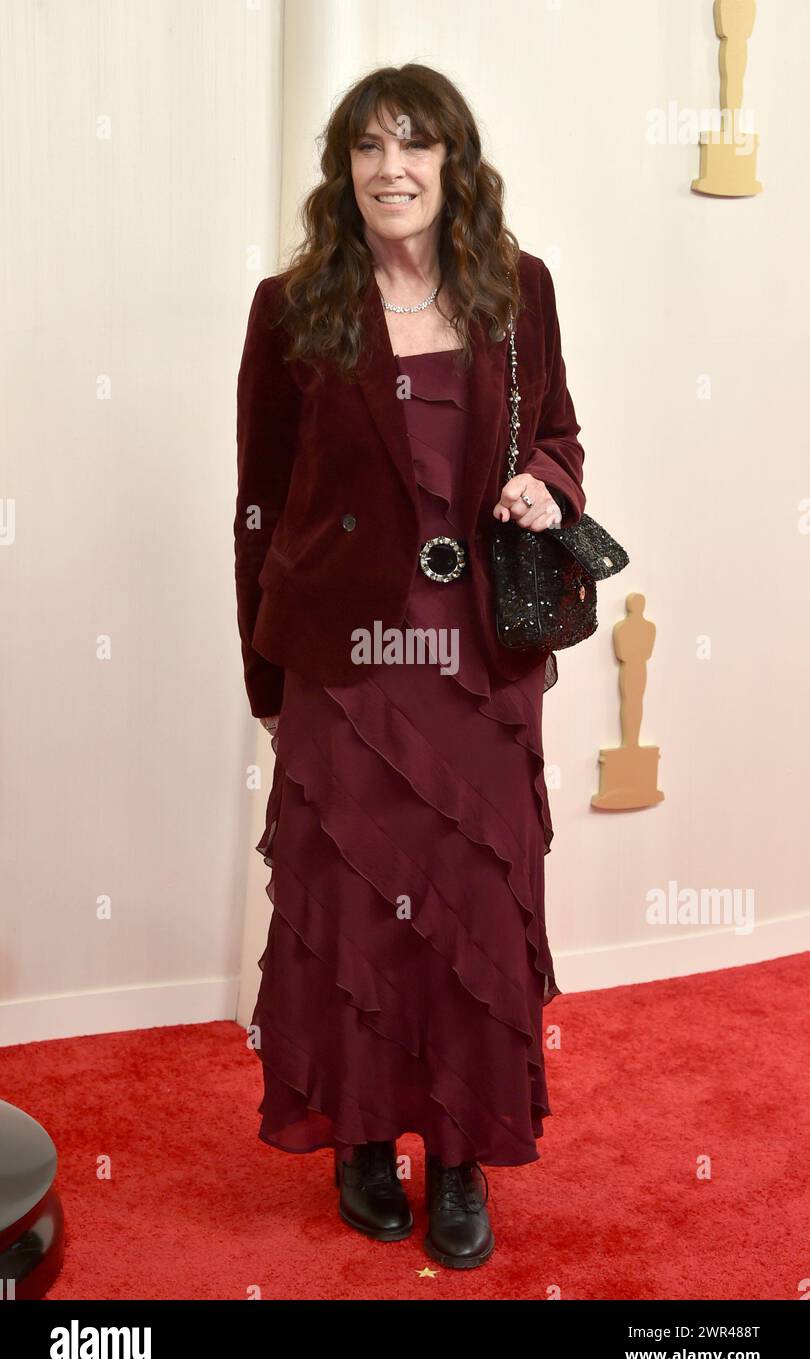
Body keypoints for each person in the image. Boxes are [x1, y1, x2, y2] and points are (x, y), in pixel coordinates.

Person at [234, 62, 586, 1271]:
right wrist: (266, 678)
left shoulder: (514, 292)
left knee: (469, 914)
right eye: (369, 147)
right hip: (346, 668)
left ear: (453, 162)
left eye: (416, 144)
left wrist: (548, 483)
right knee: (353, 918)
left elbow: (560, 434)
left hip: (475, 663)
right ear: (344, 170)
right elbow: (259, 503)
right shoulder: (293, 307)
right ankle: (364, 1140)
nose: (393, 168)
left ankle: (465, 1156)